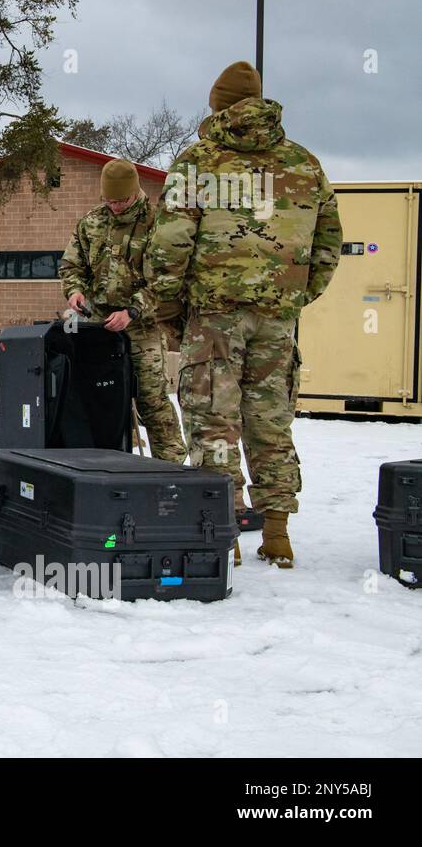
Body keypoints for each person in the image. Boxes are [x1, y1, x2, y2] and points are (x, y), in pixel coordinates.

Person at [139, 61, 341, 568]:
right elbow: (328, 246)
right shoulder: (306, 164)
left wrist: (168, 311)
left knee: (214, 424)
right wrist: (291, 298)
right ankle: (277, 535)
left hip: (213, 318)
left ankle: (220, 531)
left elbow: (168, 246)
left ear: (216, 105)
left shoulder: (198, 162)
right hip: (277, 319)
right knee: (271, 420)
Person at [59, 158, 186, 463]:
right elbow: (71, 265)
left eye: (122, 200)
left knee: (152, 401)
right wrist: (74, 290)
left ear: (135, 192)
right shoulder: (91, 222)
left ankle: (170, 469)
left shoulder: (157, 223)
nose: (115, 206)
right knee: (101, 398)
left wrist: (132, 311)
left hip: (142, 327)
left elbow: (167, 279)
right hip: (98, 328)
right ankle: (107, 463)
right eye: (109, 200)